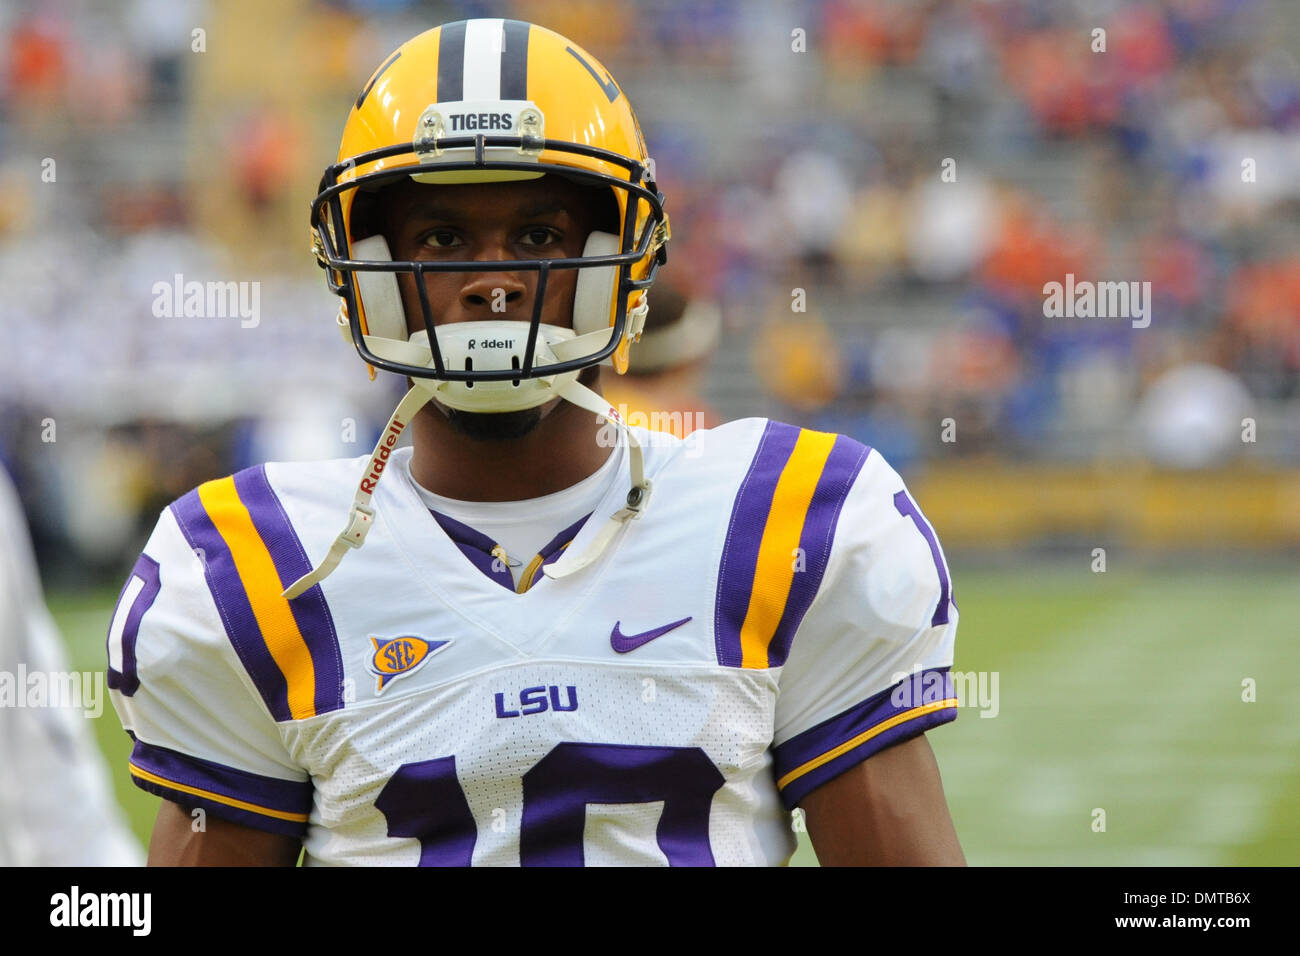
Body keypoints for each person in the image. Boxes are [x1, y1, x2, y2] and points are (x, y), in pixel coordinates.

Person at [108, 18, 964, 866]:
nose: (493, 280)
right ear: (368, 271)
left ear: (622, 258)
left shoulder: (785, 522)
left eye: (539, 236)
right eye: (442, 239)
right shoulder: (260, 566)